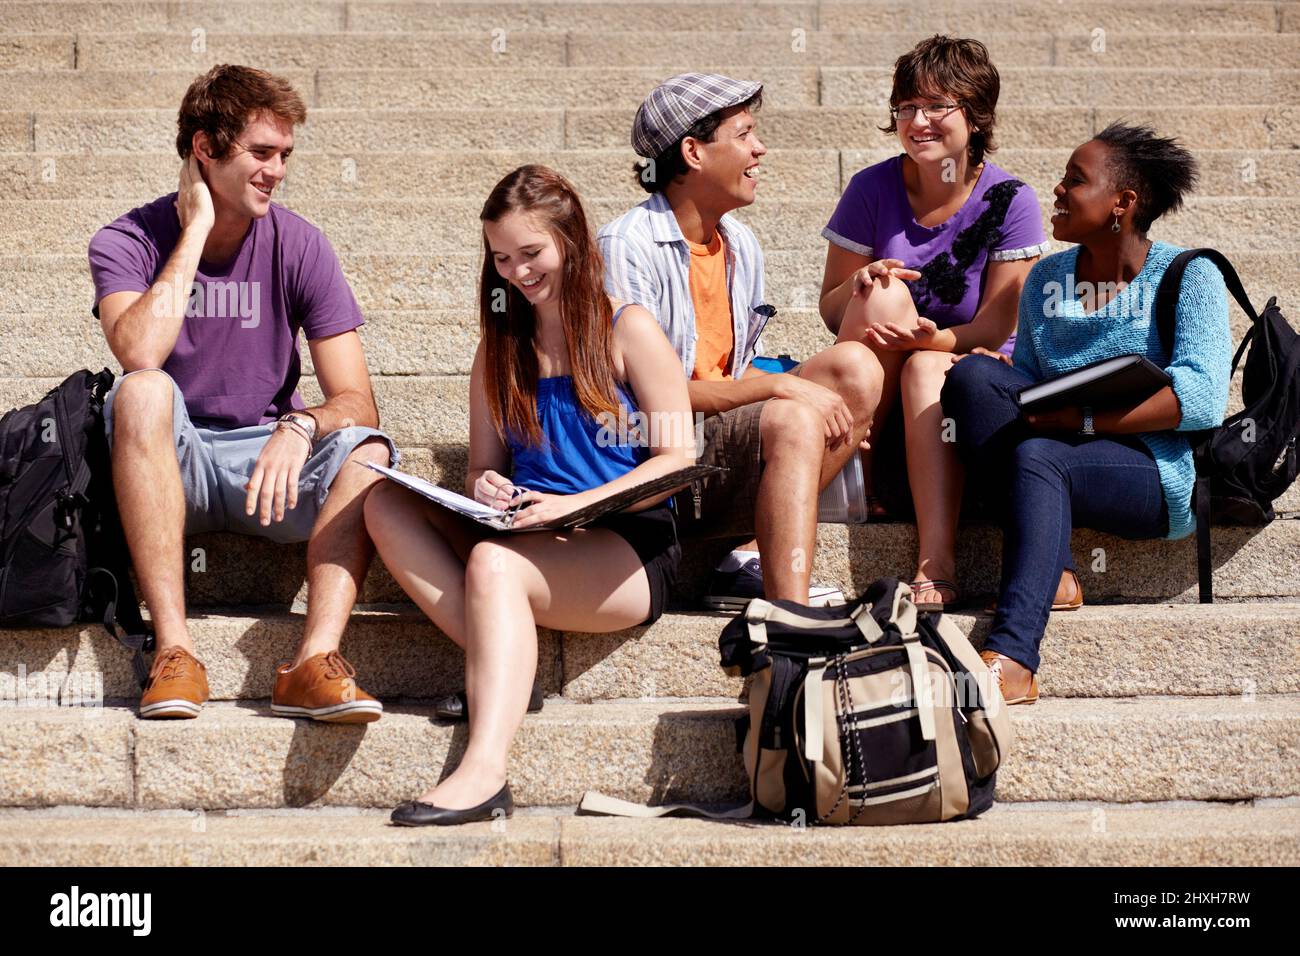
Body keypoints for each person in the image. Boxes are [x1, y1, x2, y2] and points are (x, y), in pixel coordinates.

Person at [365, 165, 694, 825]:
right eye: (503, 258)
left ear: (570, 239)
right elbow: (482, 470)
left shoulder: (628, 329)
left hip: (624, 545)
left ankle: (484, 771)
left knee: (492, 564)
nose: (518, 271)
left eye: (532, 252)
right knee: (381, 501)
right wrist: (487, 486)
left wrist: (571, 508)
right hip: (527, 533)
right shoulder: (499, 349)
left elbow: (679, 457)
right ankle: (510, 666)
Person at [88, 65, 397, 722]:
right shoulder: (126, 240)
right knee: (141, 391)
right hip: (172, 459)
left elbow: (357, 400)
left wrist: (300, 426)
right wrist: (195, 230)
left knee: (368, 449)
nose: (277, 170)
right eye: (261, 153)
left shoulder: (301, 244)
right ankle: (175, 653)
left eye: (284, 155)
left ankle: (314, 661)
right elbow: (139, 351)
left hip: (268, 465)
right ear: (206, 148)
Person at [941, 123, 1231, 703]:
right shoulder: (1047, 277)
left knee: (1040, 455)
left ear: (1123, 202)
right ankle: (1060, 572)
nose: (1058, 190)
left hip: (1155, 469)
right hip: (1055, 445)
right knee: (973, 379)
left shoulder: (1190, 275)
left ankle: (1014, 658)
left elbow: (1200, 399)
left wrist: (1085, 423)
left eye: (1076, 180)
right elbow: (1025, 381)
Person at [599, 73, 879, 611]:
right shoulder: (627, 245)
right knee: (796, 416)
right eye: (745, 134)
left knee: (854, 372)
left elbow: (733, 368)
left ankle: (749, 555)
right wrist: (785, 393)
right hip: (656, 449)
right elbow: (648, 397)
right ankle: (789, 615)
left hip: (720, 433)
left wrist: (824, 404)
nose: (760, 148)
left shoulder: (740, 243)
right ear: (693, 152)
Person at [817, 36, 1057, 612]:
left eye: (934, 106)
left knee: (927, 364)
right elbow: (830, 310)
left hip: (964, 381)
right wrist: (863, 284)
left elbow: (998, 325)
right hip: (879, 382)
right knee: (886, 293)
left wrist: (936, 340)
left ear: (974, 117)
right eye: (905, 107)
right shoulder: (871, 187)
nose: (916, 121)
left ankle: (935, 562)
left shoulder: (1009, 199)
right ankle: (863, 470)